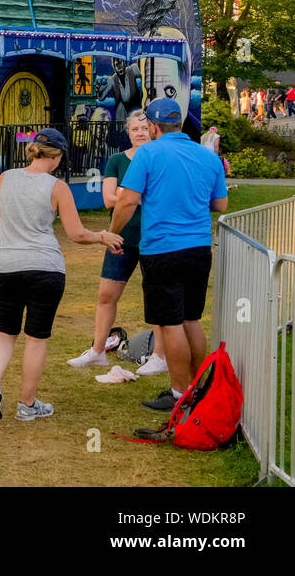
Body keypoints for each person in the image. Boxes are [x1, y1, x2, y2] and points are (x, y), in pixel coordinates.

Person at [0, 129, 123, 422]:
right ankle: (27, 403)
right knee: (36, 337)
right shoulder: (57, 188)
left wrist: (9, 249)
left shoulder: (4, 178)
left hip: (6, 265)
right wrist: (103, 236)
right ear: (57, 157)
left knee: (3, 331)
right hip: (45, 268)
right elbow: (77, 233)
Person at [108, 97, 228, 412]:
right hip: (199, 248)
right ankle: (199, 389)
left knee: (171, 323)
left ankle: (178, 394)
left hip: (162, 249)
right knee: (191, 319)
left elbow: (128, 201)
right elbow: (220, 205)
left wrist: (113, 232)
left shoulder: (148, 153)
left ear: (154, 126)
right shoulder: (208, 156)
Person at [68, 111, 167, 375]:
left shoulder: (159, 157)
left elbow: (158, 198)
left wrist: (127, 194)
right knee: (105, 295)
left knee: (155, 297)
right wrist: (132, 194)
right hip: (121, 237)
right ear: (128, 132)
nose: (140, 133)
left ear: (154, 130)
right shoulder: (117, 160)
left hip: (154, 238)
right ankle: (98, 350)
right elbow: (110, 200)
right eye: (135, 129)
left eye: (144, 128)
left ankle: (160, 356)